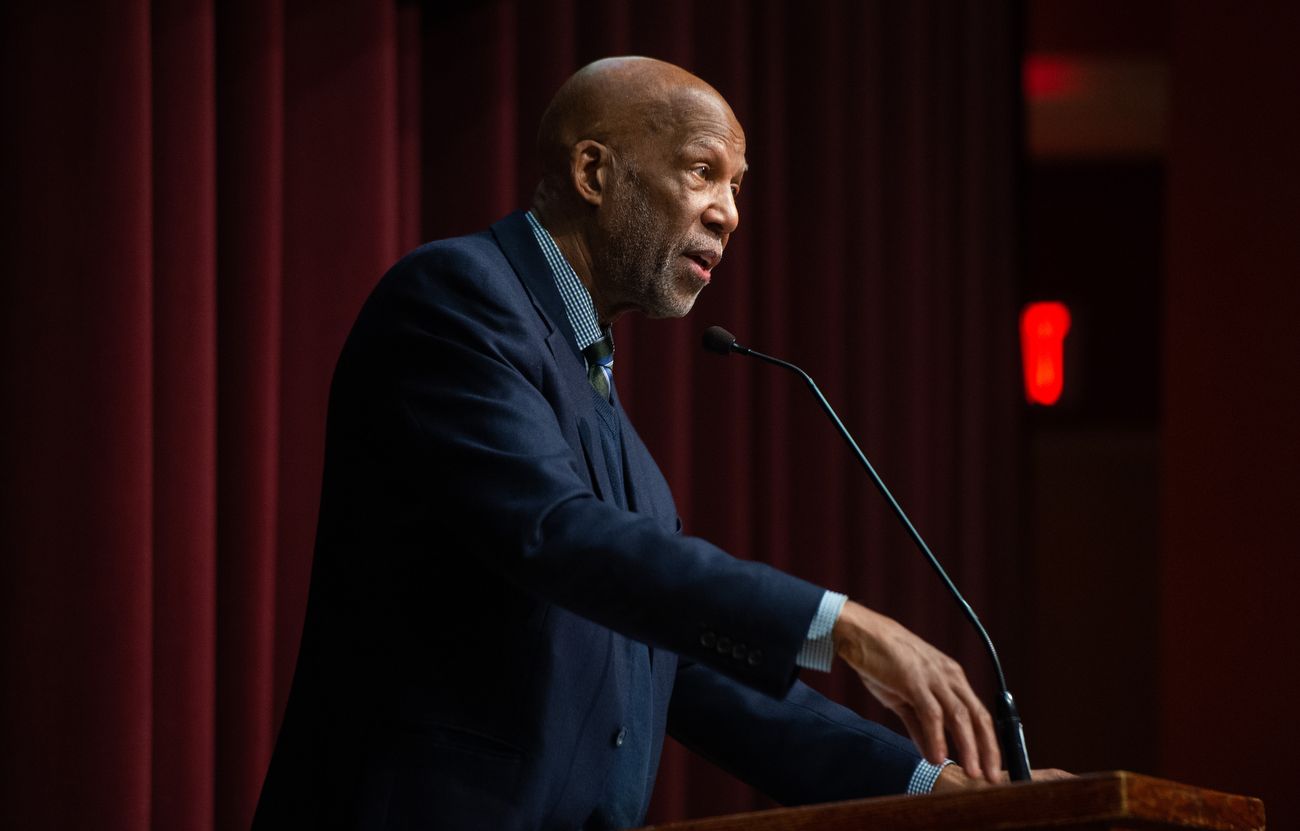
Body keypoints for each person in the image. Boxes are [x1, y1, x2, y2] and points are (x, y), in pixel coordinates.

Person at [252, 57, 1062, 831]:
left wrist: (935, 789)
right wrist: (836, 621)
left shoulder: (621, 440)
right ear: (595, 174)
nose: (729, 213)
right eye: (703, 172)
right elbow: (553, 531)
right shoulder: (455, 302)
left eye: (738, 188)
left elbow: (691, 672)